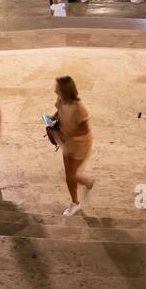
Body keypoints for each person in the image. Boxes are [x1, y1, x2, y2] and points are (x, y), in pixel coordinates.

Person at [48, 76, 95, 216]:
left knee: (71, 175)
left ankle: (88, 182)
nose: (54, 88)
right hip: (66, 142)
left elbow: (84, 130)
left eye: (57, 86)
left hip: (80, 144)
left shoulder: (79, 108)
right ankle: (75, 203)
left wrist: (65, 135)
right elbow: (59, 111)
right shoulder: (61, 100)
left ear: (65, 90)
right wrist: (53, 118)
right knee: (69, 175)